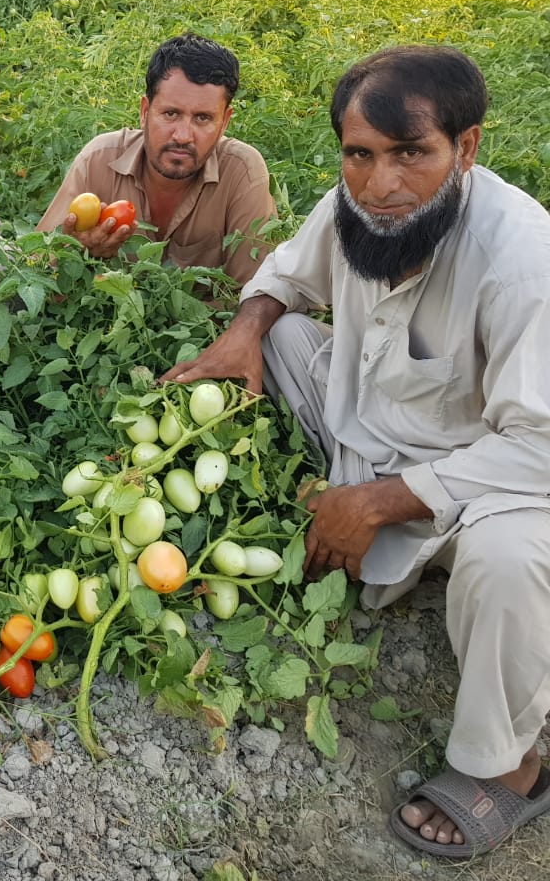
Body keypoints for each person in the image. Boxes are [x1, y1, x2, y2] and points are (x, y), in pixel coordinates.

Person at [162, 45, 550, 858]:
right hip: (362, 430)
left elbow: (540, 445)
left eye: (412, 154)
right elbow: (287, 278)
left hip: (475, 478)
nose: (381, 185)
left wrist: (370, 502)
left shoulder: (520, 262)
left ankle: (511, 767)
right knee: (283, 335)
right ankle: (356, 512)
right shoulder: (354, 207)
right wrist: (243, 332)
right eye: (360, 154)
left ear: (466, 147)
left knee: (509, 560)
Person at [36, 33, 276, 284]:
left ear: (225, 122)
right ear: (145, 111)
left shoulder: (242, 172)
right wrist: (74, 254)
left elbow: (254, 293)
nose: (183, 136)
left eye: (202, 118)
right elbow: (37, 266)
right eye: (171, 114)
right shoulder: (98, 161)